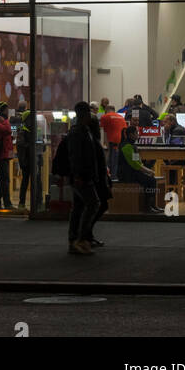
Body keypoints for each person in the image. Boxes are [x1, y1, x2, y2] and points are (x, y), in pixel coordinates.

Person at [67, 102, 101, 255]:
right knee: (93, 204)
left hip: (82, 175)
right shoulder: (78, 132)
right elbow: (77, 156)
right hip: (82, 176)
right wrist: (79, 175)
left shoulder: (81, 130)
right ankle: (81, 239)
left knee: (79, 207)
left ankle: (74, 240)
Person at [118, 125, 162, 212]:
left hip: (133, 172)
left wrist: (146, 171)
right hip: (126, 174)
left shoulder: (132, 145)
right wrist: (148, 170)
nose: (138, 135)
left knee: (150, 179)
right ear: (131, 135)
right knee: (150, 180)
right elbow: (134, 164)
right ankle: (149, 206)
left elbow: (138, 161)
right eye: (136, 133)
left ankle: (152, 205)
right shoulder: (126, 146)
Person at [85, 115, 112, 248]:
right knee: (98, 205)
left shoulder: (90, 140)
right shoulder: (91, 141)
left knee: (97, 205)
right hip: (95, 178)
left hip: (96, 178)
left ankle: (87, 235)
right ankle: (85, 235)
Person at [0, 101, 14, 211]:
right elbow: (8, 130)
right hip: (0, 156)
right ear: (1, 111)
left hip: (4, 155)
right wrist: (5, 122)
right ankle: (7, 203)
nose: (8, 112)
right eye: (6, 110)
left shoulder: (1, 122)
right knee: (5, 180)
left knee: (3, 179)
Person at [99, 102, 127, 181]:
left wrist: (104, 144)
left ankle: (112, 178)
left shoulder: (104, 117)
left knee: (111, 160)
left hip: (112, 141)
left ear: (106, 110)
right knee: (116, 160)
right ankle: (115, 177)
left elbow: (103, 132)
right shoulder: (121, 117)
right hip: (121, 141)